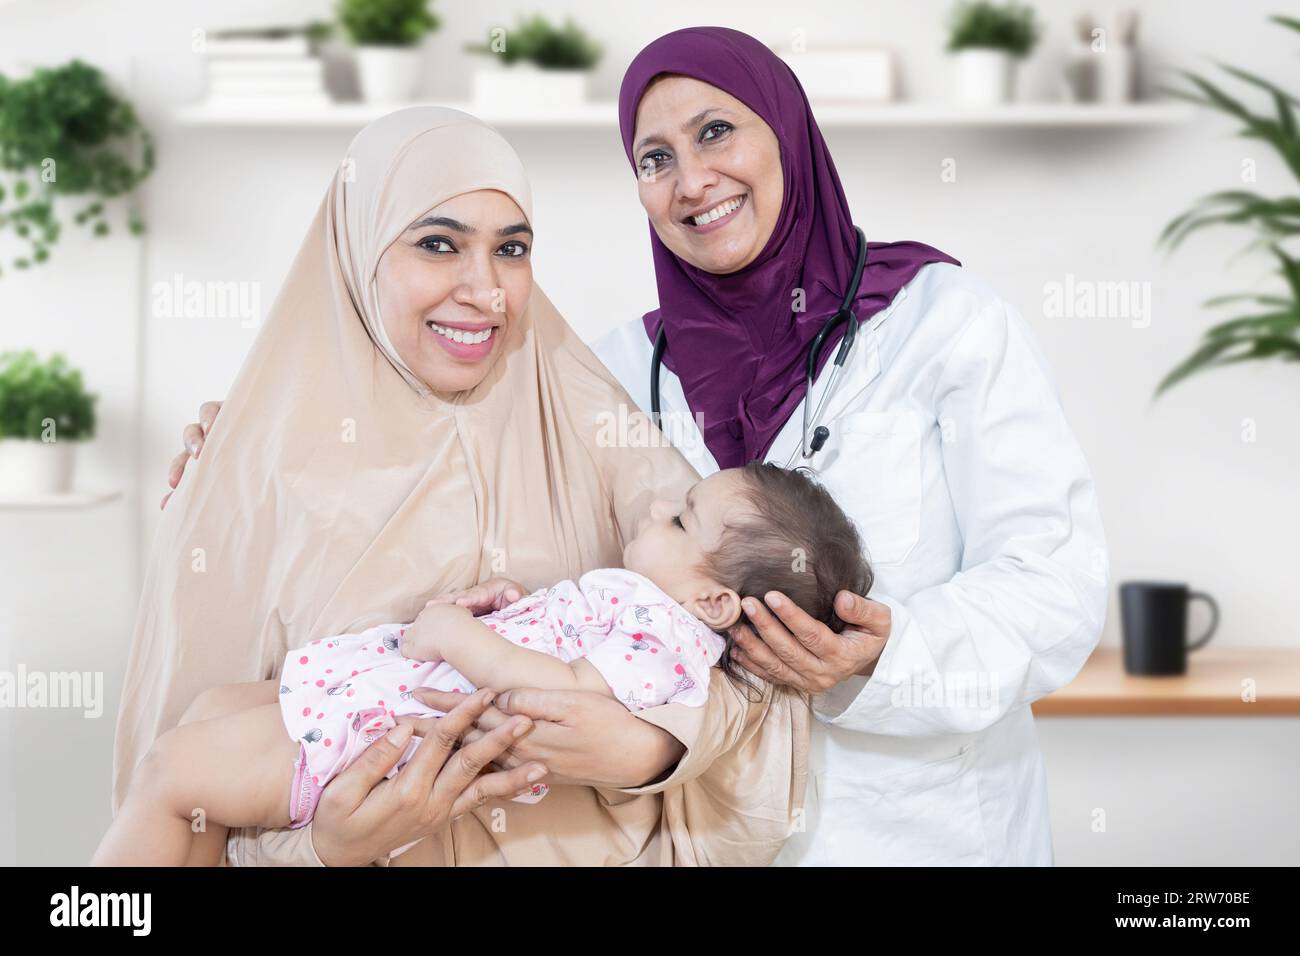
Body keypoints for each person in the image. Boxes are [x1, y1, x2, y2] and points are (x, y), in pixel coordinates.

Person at [120, 106, 809, 868]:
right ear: (359, 247)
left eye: (510, 249)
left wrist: (647, 745)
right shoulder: (253, 466)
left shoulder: (584, 413)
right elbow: (177, 789)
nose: (486, 292)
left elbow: (760, 665)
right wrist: (324, 849)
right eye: (437, 244)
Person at [589, 27, 1110, 865]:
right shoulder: (618, 371)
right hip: (710, 835)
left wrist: (887, 655)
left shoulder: (941, 320)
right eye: (654, 158)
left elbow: (1057, 581)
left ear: (787, 130)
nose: (691, 181)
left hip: (927, 834)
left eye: (716, 130)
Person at [98, 463, 866, 866]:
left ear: (714, 603)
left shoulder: (667, 638)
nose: (652, 512)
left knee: (174, 772)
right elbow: (556, 646)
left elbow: (557, 690)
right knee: (207, 716)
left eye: (679, 519)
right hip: (386, 684)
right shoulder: (650, 608)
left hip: (392, 729)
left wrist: (450, 635)